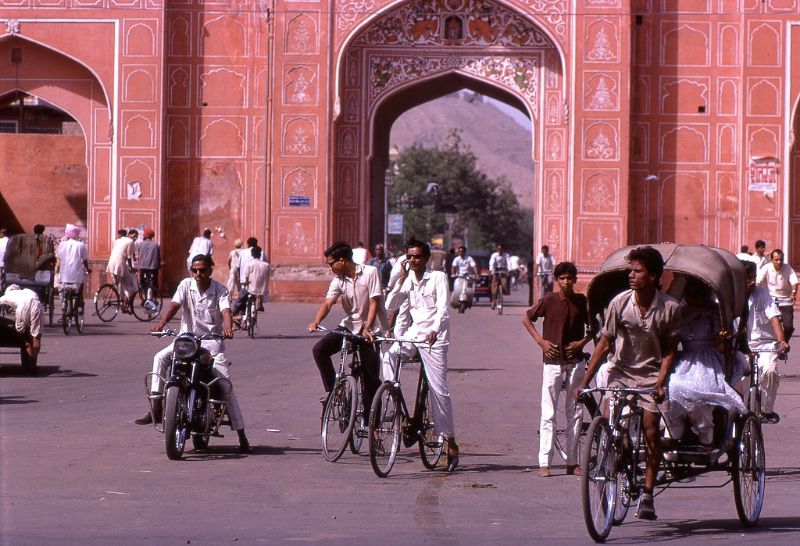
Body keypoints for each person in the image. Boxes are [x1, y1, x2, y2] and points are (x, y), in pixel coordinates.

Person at [577, 246, 681, 521]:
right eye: (630, 271)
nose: (632, 276)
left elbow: (671, 349)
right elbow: (605, 343)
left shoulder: (670, 307)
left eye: (638, 271)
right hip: (621, 374)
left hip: (651, 376)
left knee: (650, 431)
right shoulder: (620, 303)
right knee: (616, 428)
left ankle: (647, 494)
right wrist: (583, 382)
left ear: (654, 276)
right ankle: (619, 462)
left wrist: (661, 382)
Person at [136, 254, 250, 453]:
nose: (198, 274)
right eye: (195, 270)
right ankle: (156, 405)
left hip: (211, 342)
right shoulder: (185, 285)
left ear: (210, 270)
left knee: (224, 384)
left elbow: (225, 312)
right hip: (186, 341)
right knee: (160, 357)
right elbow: (174, 305)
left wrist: (228, 328)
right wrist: (161, 324)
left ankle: (241, 435)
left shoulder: (220, 290)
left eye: (202, 270)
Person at [383, 239, 460, 472]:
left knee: (439, 391)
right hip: (414, 336)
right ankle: (391, 393)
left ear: (426, 259)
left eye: (417, 257)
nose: (413, 261)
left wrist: (435, 330)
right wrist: (400, 281)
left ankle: (450, 441)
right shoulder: (408, 282)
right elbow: (390, 304)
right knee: (388, 353)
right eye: (410, 257)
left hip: (434, 339)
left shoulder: (437, 278)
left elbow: (443, 309)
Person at [522, 261, 591, 477]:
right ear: (556, 280)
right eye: (562, 278)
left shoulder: (581, 301)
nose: (566, 282)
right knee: (549, 413)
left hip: (575, 362)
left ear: (575, 280)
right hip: (552, 362)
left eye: (570, 278)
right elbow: (526, 318)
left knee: (576, 412)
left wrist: (582, 343)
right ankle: (545, 462)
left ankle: (573, 462)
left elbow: (596, 326)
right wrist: (541, 342)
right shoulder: (549, 300)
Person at [665, 277, 746, 449]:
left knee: (701, 391)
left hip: (710, 359)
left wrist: (723, 337)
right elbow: (671, 339)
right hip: (685, 359)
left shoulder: (716, 313)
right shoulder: (679, 312)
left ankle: (706, 436)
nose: (694, 297)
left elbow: (721, 346)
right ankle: (674, 434)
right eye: (690, 292)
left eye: (698, 292)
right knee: (671, 388)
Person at [307, 242, 383, 412]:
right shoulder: (338, 281)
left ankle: (373, 425)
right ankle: (334, 390)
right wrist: (316, 322)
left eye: (331, 263)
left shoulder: (370, 273)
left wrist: (367, 327)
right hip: (349, 327)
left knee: (370, 379)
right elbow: (328, 303)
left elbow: (374, 302)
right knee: (319, 350)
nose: (330, 268)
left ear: (342, 261)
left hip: (369, 330)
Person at [735, 260, 789, 424]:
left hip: (765, 345)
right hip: (740, 346)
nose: (751, 282)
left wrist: (781, 342)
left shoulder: (762, 293)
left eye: (753, 278)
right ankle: (738, 411)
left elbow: (774, 318)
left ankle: (766, 410)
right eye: (747, 278)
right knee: (738, 380)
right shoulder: (732, 295)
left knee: (770, 372)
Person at [757, 248, 798, 340]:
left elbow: (794, 281)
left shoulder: (788, 268)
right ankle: (774, 342)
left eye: (781, 259)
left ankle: (784, 343)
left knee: (788, 327)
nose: (779, 262)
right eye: (776, 260)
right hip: (771, 300)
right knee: (769, 325)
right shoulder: (766, 267)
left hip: (785, 301)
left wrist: (793, 293)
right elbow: (758, 281)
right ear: (771, 260)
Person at [0, 284, 43, 369]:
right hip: (38, 306)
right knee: (36, 337)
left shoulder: (7, 296)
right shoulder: (28, 291)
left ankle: (28, 350)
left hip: (23, 307)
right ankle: (33, 360)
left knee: (24, 335)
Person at [56, 223, 90, 311]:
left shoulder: (62, 244)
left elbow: (59, 258)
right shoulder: (81, 245)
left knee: (62, 290)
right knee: (80, 288)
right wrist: (88, 269)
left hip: (64, 276)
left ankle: (64, 301)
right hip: (76, 276)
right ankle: (79, 301)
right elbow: (85, 260)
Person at [232, 245, 270, 317]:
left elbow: (246, 277)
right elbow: (267, 277)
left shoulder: (249, 265)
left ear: (252, 254)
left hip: (251, 289)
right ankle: (259, 303)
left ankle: (235, 313)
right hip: (262, 290)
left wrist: (245, 282)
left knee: (240, 300)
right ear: (260, 254)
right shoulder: (266, 265)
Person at [106, 228, 138, 311]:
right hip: (120, 265)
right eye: (134, 236)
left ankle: (122, 301)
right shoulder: (130, 242)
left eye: (136, 237)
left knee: (120, 284)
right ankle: (125, 306)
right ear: (129, 235)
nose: (135, 238)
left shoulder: (118, 241)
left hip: (111, 264)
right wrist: (131, 268)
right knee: (129, 286)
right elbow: (129, 257)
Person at [137, 228, 161, 304]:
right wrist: (159, 265)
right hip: (153, 268)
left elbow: (139, 256)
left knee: (143, 283)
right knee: (154, 283)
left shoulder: (141, 244)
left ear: (145, 235)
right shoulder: (156, 245)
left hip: (143, 268)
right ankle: (154, 298)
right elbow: (158, 257)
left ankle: (144, 298)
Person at [489, 243, 510, 309]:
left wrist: (509, 270)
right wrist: (492, 270)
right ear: (497, 249)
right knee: (495, 286)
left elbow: (509, 263)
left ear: (503, 249)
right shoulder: (494, 255)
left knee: (504, 284)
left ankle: (503, 293)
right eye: (499, 249)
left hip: (503, 270)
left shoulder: (506, 255)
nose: (500, 250)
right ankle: (493, 300)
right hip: (496, 270)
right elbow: (491, 263)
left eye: (501, 249)